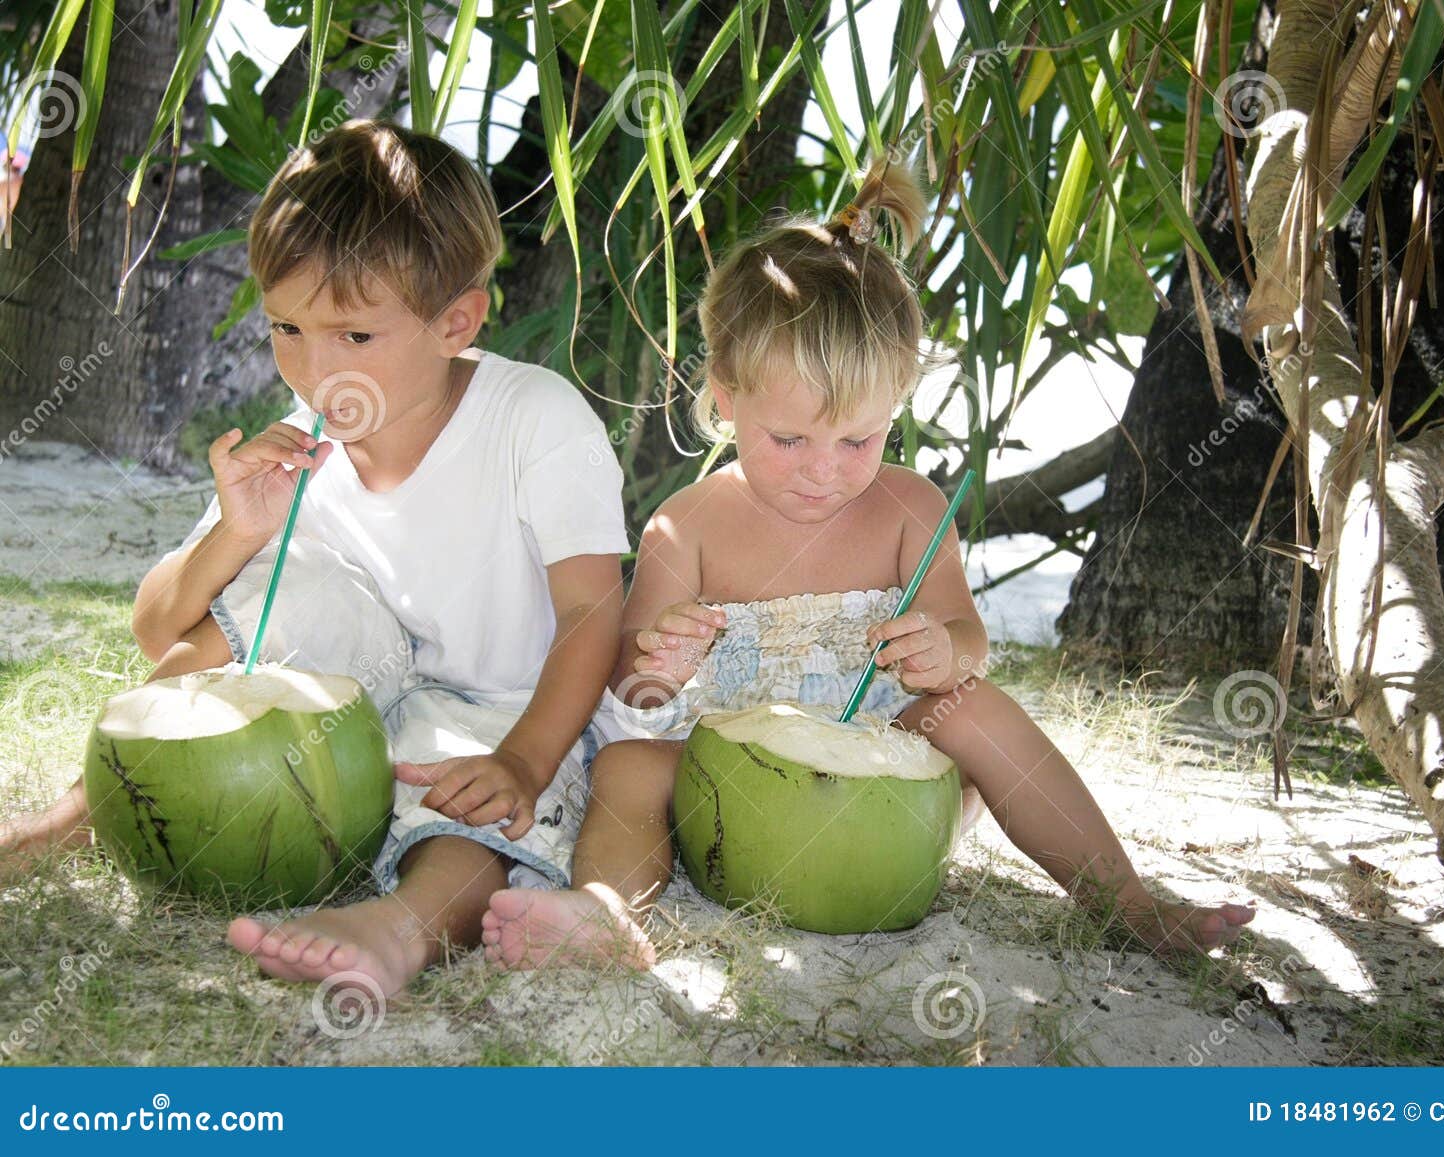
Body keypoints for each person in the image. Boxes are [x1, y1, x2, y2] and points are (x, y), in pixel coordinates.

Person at [479, 159, 1257, 971]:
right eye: (790, 440)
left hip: (889, 776)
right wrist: (660, 662)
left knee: (971, 706)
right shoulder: (689, 524)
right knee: (633, 764)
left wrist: (947, 650)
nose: (825, 469)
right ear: (727, 394)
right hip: (736, 789)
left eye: (858, 439)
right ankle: (608, 914)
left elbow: (969, 637)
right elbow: (631, 689)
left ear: (897, 405)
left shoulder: (912, 508)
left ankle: (1127, 901)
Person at [0, 121, 629, 997]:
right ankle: (69, 821)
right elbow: (158, 631)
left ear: (457, 321)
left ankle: (394, 932)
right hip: (347, 717)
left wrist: (525, 758)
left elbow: (595, 612)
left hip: (511, 709)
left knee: (475, 809)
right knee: (287, 591)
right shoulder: (302, 442)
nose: (311, 368)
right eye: (286, 327)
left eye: (354, 337)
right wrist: (237, 530)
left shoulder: (536, 419)